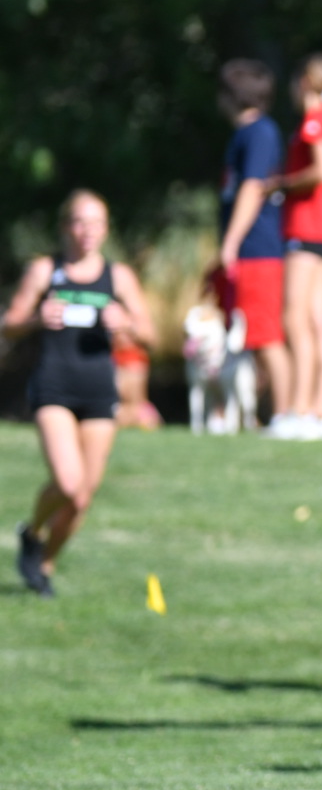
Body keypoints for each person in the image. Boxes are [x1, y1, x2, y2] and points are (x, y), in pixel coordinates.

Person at [4, 190, 154, 597]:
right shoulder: (45, 270)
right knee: (69, 483)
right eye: (80, 221)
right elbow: (9, 323)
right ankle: (32, 531)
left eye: (97, 222)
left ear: (106, 229)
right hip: (53, 385)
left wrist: (126, 323)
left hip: (99, 391)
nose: (88, 231)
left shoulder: (118, 277)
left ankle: (44, 564)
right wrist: (36, 318)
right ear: (65, 226)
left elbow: (150, 334)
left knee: (82, 498)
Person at [271, 52, 322, 441]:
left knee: (295, 319)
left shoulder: (316, 119)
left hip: (306, 231)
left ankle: (299, 411)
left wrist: (280, 184)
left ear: (305, 81)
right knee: (319, 321)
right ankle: (320, 414)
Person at [216, 58, 293, 431]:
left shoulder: (260, 132)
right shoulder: (245, 134)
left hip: (258, 250)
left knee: (264, 335)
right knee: (250, 335)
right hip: (250, 251)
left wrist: (230, 242)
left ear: (231, 96)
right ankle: (258, 416)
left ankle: (286, 415)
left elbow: (252, 187)